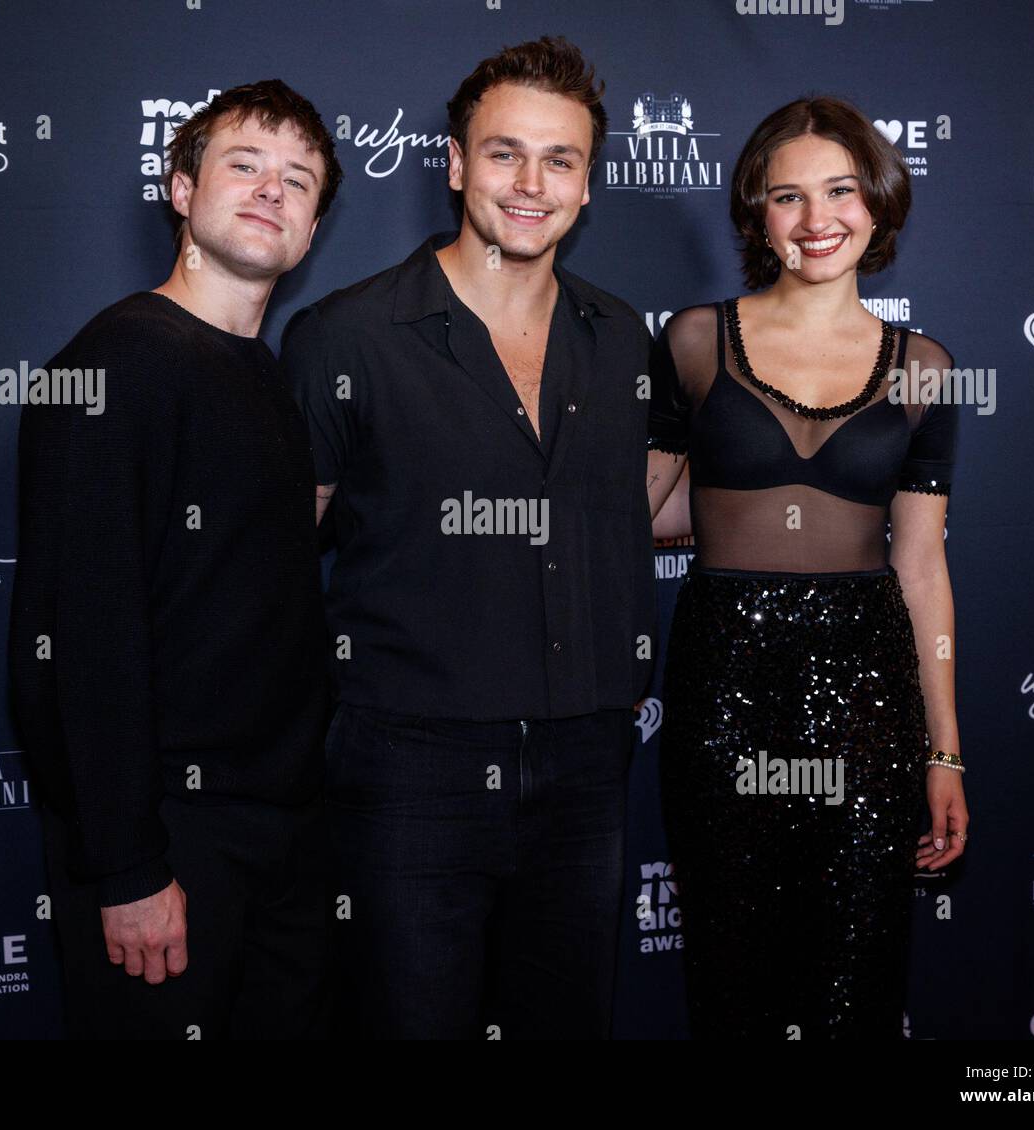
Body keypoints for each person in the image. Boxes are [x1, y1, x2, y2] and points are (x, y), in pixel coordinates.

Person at [279, 36, 655, 1039]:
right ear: (454, 163)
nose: (530, 184)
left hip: (586, 764)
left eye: (560, 160)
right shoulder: (342, 338)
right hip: (409, 767)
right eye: (504, 153)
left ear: (588, 183)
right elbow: (273, 565)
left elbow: (646, 506)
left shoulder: (621, 337)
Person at [8, 80, 342, 1039]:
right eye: (244, 166)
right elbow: (81, 638)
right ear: (181, 189)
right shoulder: (116, 365)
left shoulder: (264, 378)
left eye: (298, 180)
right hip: (166, 841)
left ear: (313, 231)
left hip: (280, 832)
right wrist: (128, 867)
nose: (271, 190)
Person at [646, 96, 970, 1039]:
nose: (817, 219)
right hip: (722, 685)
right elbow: (640, 512)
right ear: (757, 215)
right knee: (732, 963)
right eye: (788, 197)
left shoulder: (926, 369)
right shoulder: (695, 340)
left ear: (877, 203)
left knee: (855, 973)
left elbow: (920, 568)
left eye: (839, 191)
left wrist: (944, 749)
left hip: (868, 694)